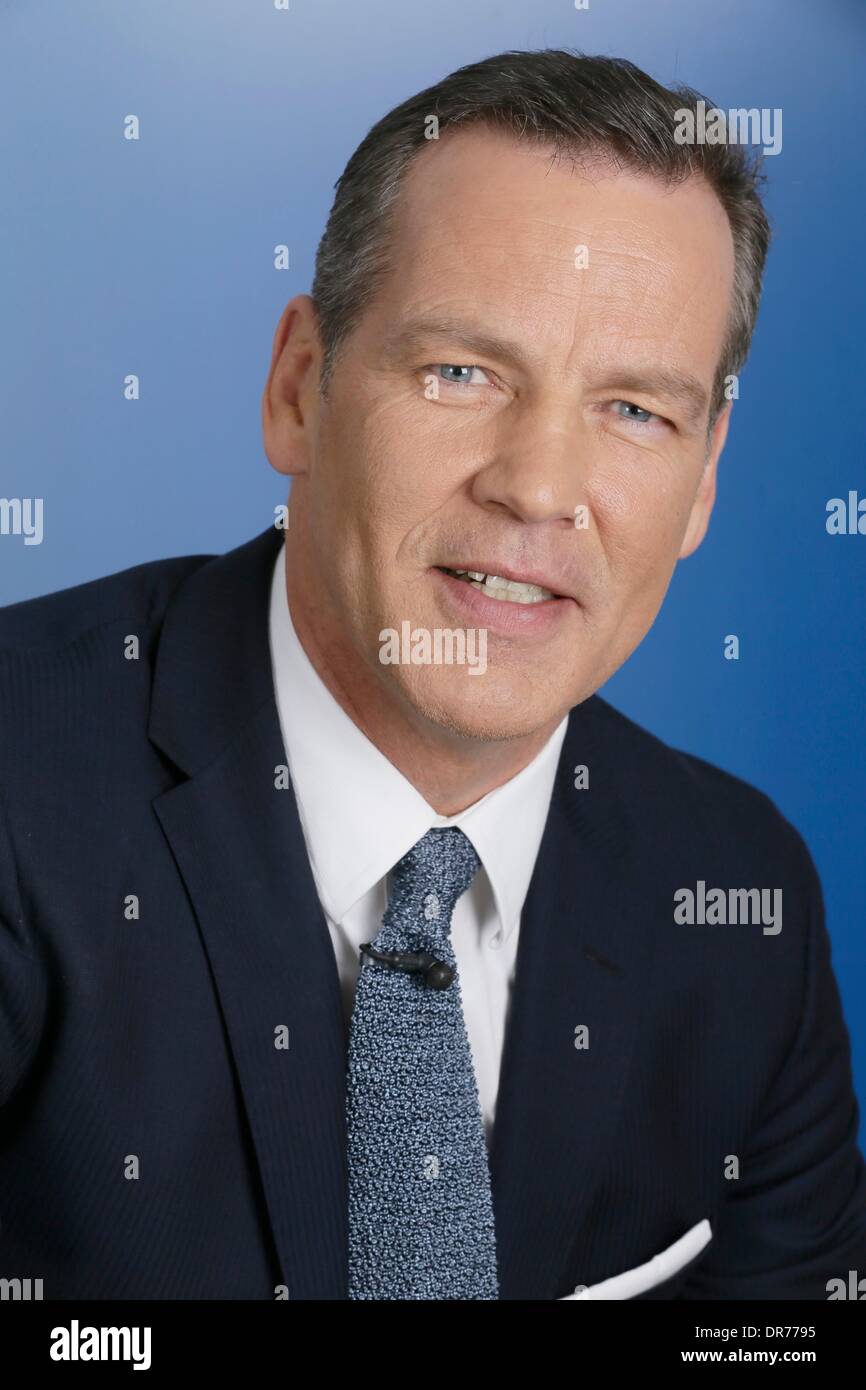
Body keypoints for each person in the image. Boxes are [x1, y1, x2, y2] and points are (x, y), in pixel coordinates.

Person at [1, 49, 864, 1301]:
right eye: (461, 373)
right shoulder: (23, 782)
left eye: (633, 410)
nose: (537, 485)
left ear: (704, 477)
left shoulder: (739, 898)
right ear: (301, 389)